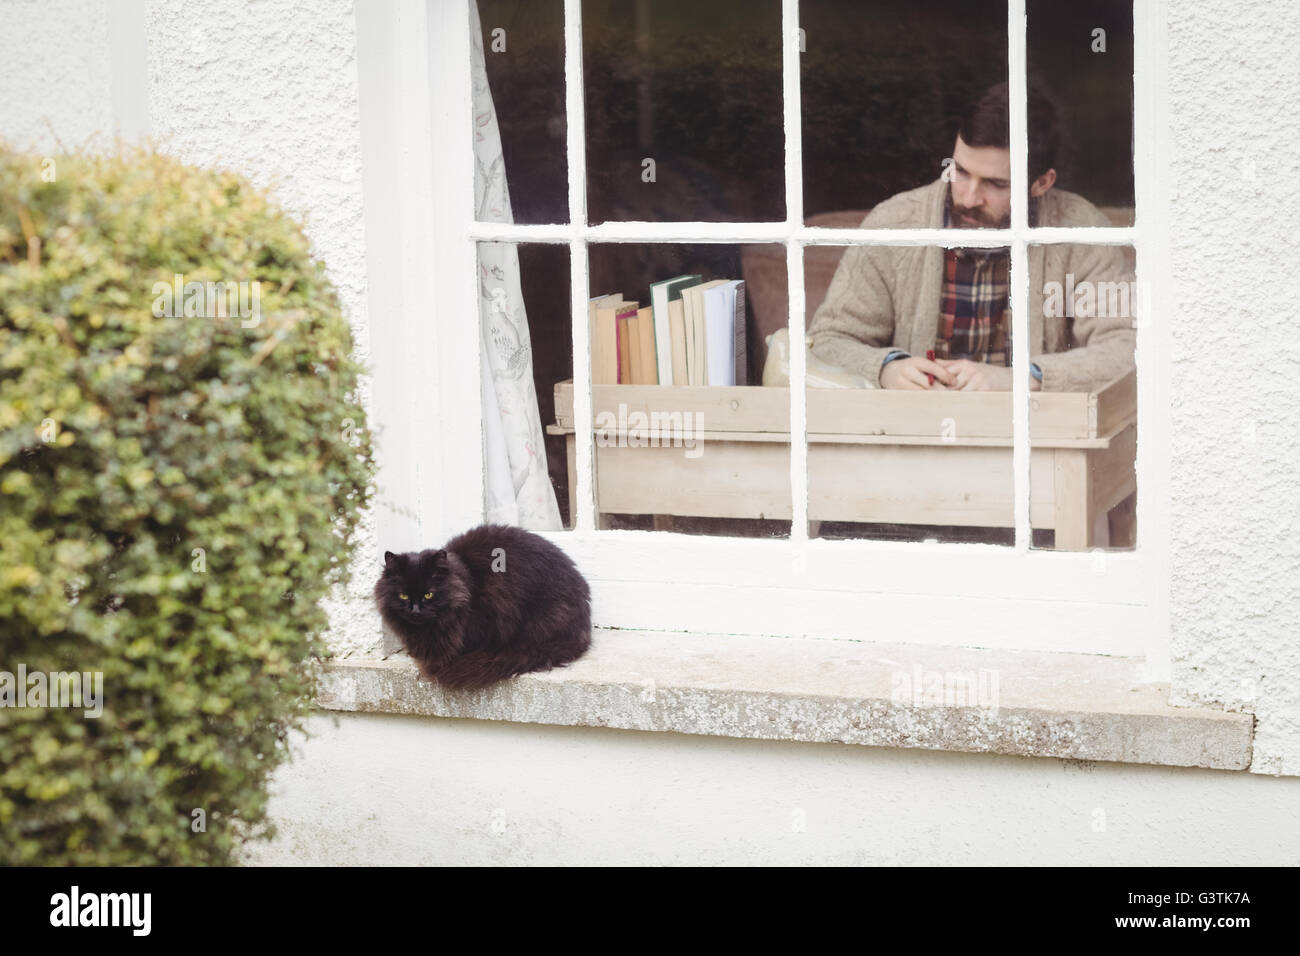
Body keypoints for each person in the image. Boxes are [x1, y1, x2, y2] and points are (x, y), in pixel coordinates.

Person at [808, 82, 1135, 393]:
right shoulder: (892, 223)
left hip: (1038, 437)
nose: (968, 197)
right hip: (912, 435)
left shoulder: (1083, 232)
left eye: (995, 184)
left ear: (1042, 183)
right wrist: (886, 368)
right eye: (960, 172)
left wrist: (1026, 378)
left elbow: (1128, 347)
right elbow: (829, 339)